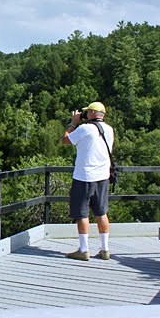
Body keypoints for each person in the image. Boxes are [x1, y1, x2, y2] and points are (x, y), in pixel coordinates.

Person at [61, 101, 115, 260]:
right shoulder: (110, 130)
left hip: (84, 177)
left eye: (86, 113)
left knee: (82, 213)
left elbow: (66, 140)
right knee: (101, 212)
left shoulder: (84, 128)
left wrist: (73, 123)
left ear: (92, 113)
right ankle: (105, 249)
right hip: (103, 177)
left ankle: (84, 250)